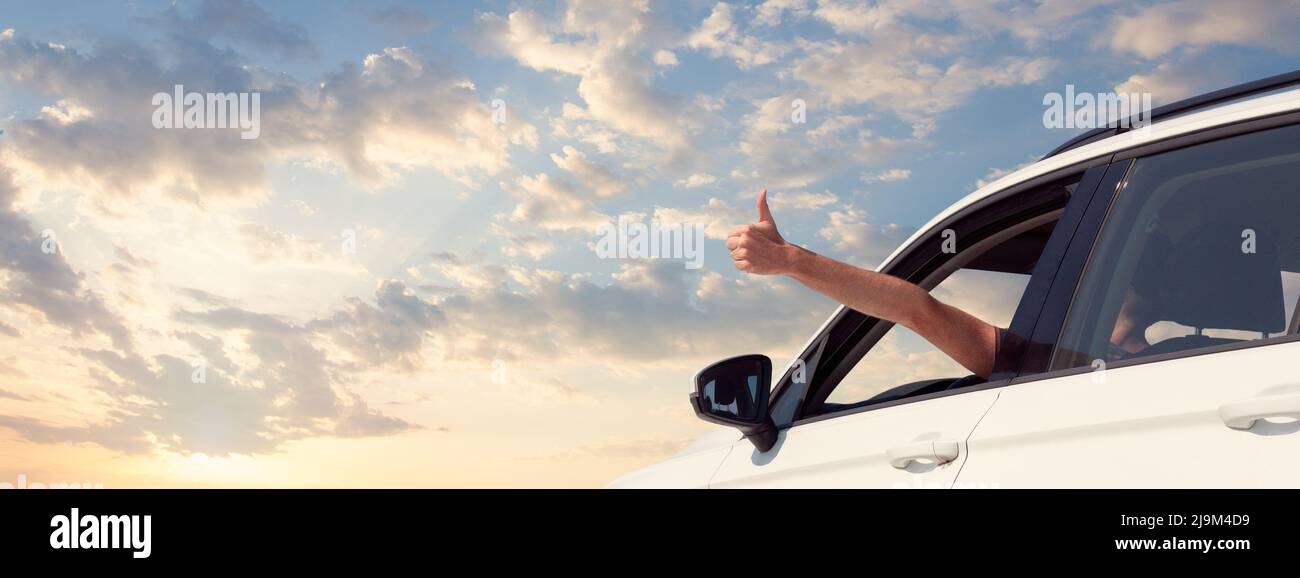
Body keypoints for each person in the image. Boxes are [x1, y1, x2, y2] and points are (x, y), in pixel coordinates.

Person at [728, 190, 1158, 380]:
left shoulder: (1188, 360)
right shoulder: (1054, 359)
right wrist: (790, 260)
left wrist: (790, 261)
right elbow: (916, 309)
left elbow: (916, 310)